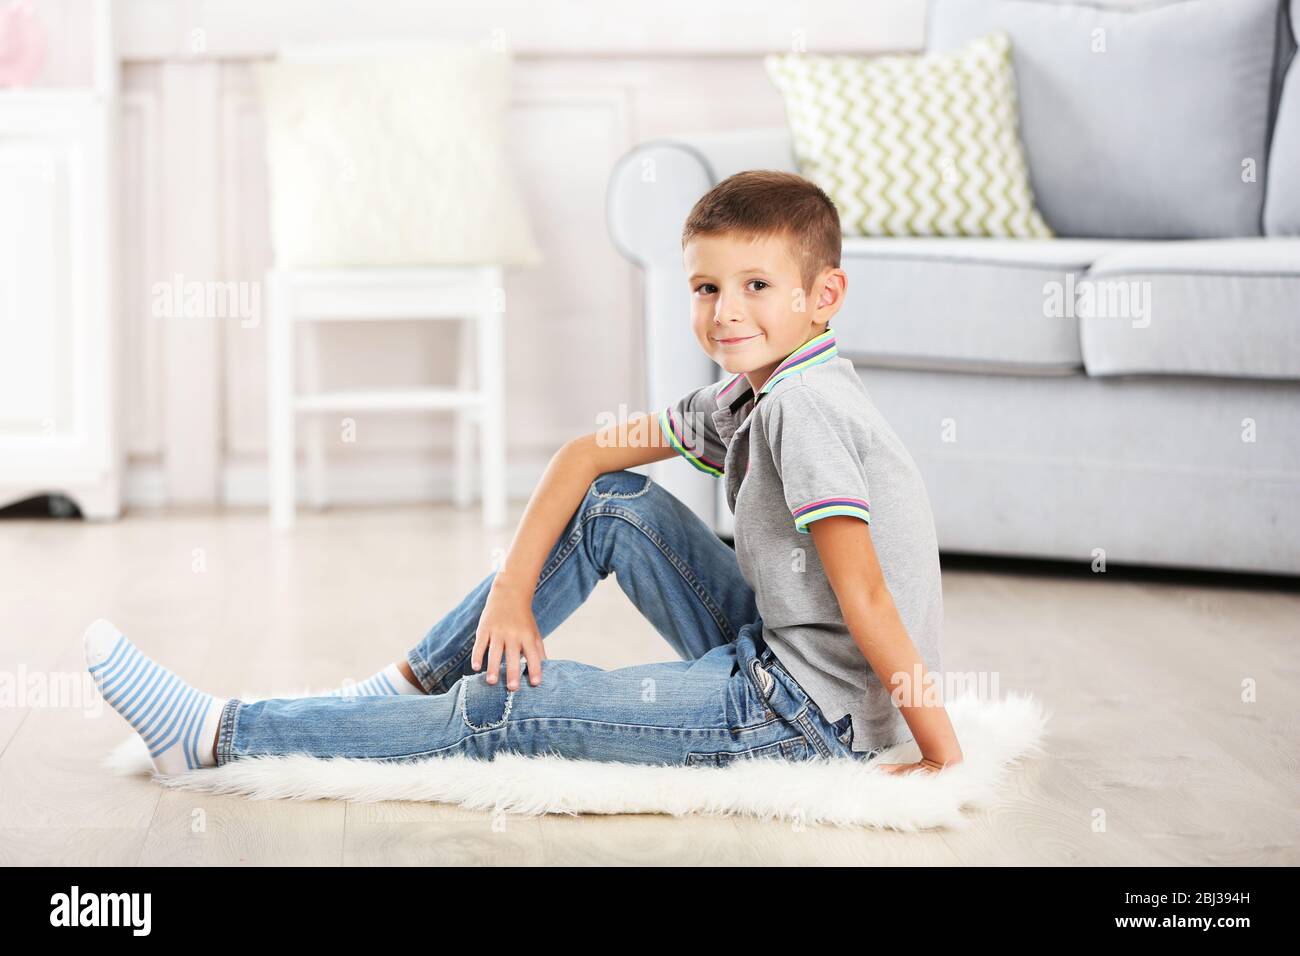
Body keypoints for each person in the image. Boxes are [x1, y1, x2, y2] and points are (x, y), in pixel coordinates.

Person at [83, 170, 962, 778]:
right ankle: (402, 686)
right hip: (785, 655)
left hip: (805, 720)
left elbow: (871, 600)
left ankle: (216, 736)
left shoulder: (805, 411)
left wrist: (940, 756)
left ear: (823, 296)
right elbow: (585, 457)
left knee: (504, 710)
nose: (726, 311)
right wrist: (510, 595)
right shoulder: (754, 391)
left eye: (758, 286)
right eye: (705, 288)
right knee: (614, 504)